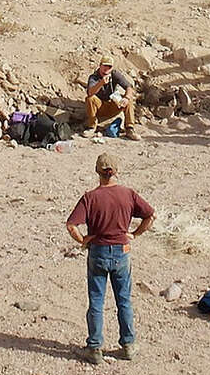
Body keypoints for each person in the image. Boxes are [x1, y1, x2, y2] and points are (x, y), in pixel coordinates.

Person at [65, 152, 155, 364]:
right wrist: (134, 234)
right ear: (117, 171)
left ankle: (95, 347)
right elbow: (150, 215)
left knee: (96, 300)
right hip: (122, 251)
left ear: (98, 172)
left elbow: (71, 225)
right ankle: (128, 345)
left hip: (98, 251)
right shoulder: (128, 194)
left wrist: (83, 240)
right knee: (123, 300)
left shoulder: (90, 197)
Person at [84, 60, 137, 137]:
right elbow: (90, 93)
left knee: (129, 99)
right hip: (100, 107)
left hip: (112, 105)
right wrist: (101, 83)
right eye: (104, 66)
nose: (106, 70)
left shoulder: (114, 74)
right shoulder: (94, 77)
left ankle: (130, 129)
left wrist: (126, 98)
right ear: (100, 66)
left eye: (109, 67)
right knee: (90, 98)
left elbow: (129, 87)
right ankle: (92, 127)